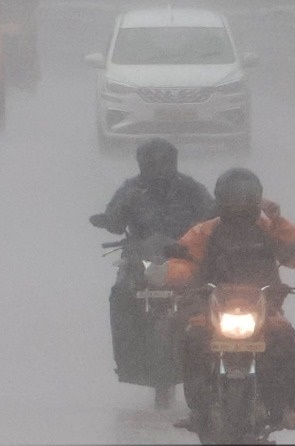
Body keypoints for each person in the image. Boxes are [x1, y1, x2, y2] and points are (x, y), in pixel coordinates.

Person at [167, 168, 295, 431]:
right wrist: (180, 276)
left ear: (257, 199)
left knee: (282, 338)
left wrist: (278, 219)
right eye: (233, 197)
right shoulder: (205, 231)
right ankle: (199, 410)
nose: (239, 204)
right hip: (212, 307)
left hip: (264, 307)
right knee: (193, 338)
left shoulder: (270, 227)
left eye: (245, 198)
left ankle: (281, 409)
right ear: (221, 198)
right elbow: (181, 259)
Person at [90, 139, 214, 382]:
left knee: (211, 294)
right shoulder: (130, 189)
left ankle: (214, 354)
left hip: (184, 257)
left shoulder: (190, 188)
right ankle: (127, 360)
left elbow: (211, 216)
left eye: (164, 161)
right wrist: (122, 208)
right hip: (141, 259)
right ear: (141, 164)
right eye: (152, 162)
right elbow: (114, 224)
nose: (159, 167)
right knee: (121, 294)